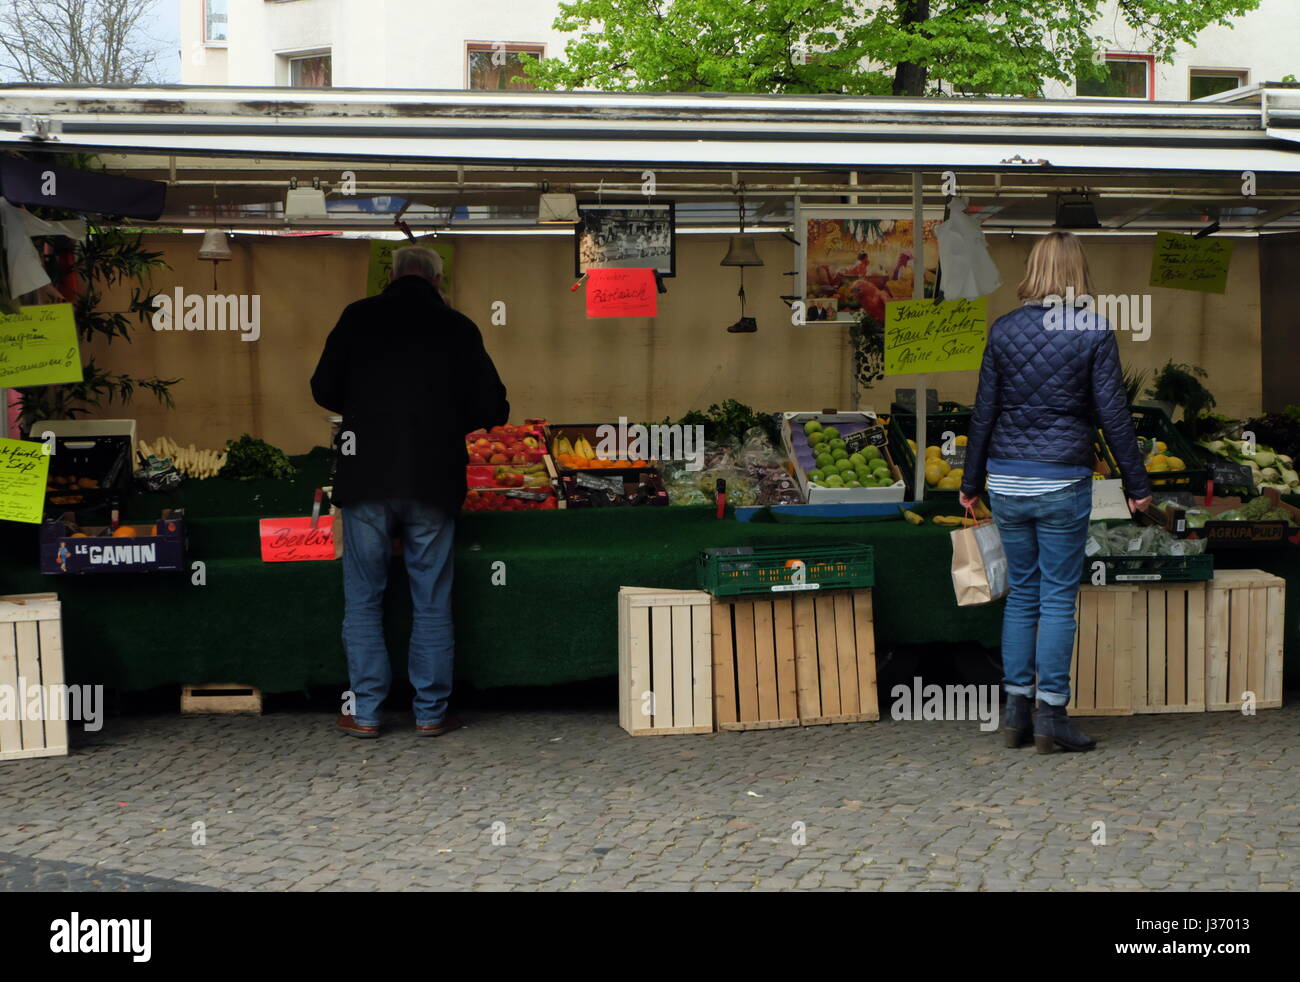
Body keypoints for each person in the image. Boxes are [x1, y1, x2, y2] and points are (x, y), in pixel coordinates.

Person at [958, 231, 1151, 754]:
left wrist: (970, 482)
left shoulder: (1003, 330)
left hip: (1006, 480)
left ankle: (1016, 714)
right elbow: (1114, 415)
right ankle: (1052, 718)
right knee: (1058, 598)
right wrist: (1137, 486)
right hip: (1062, 478)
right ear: (1077, 272)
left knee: (1022, 595)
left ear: (1034, 269)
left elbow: (984, 412)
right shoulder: (1093, 330)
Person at [311, 246, 508, 739]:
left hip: (366, 477)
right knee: (432, 598)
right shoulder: (458, 327)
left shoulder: (357, 317)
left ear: (391, 276)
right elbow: (493, 406)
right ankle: (430, 713)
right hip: (432, 478)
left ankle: (367, 712)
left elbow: (323, 388)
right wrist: (445, 416)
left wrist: (366, 399)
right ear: (438, 281)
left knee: (363, 599)